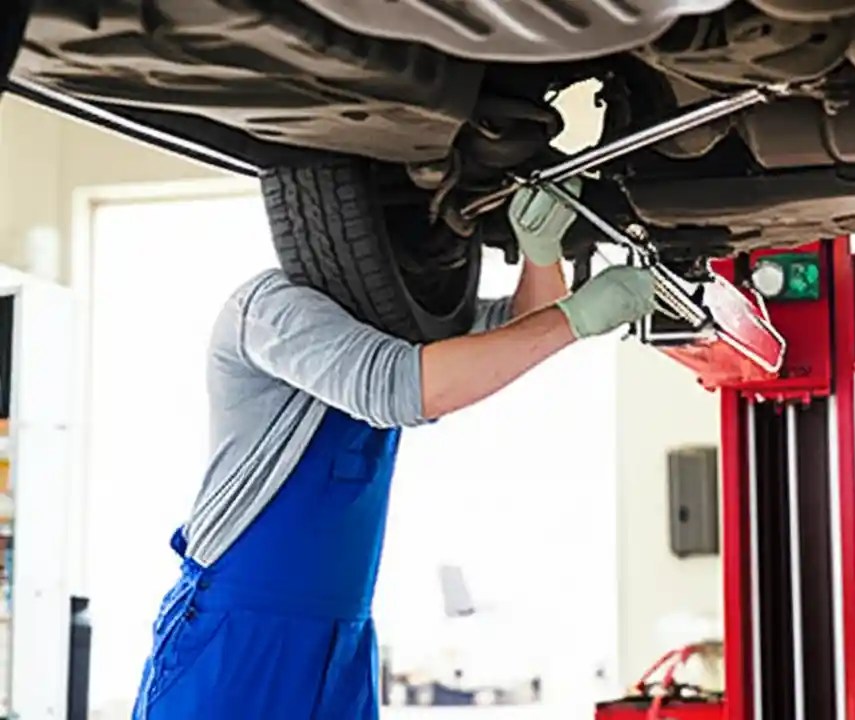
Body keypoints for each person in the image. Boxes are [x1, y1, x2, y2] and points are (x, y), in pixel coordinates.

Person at [131, 184, 655, 719]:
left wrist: (542, 257)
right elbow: (400, 386)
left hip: (342, 640)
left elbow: (511, 341)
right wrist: (575, 319)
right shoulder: (270, 310)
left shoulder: (391, 324)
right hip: (237, 639)